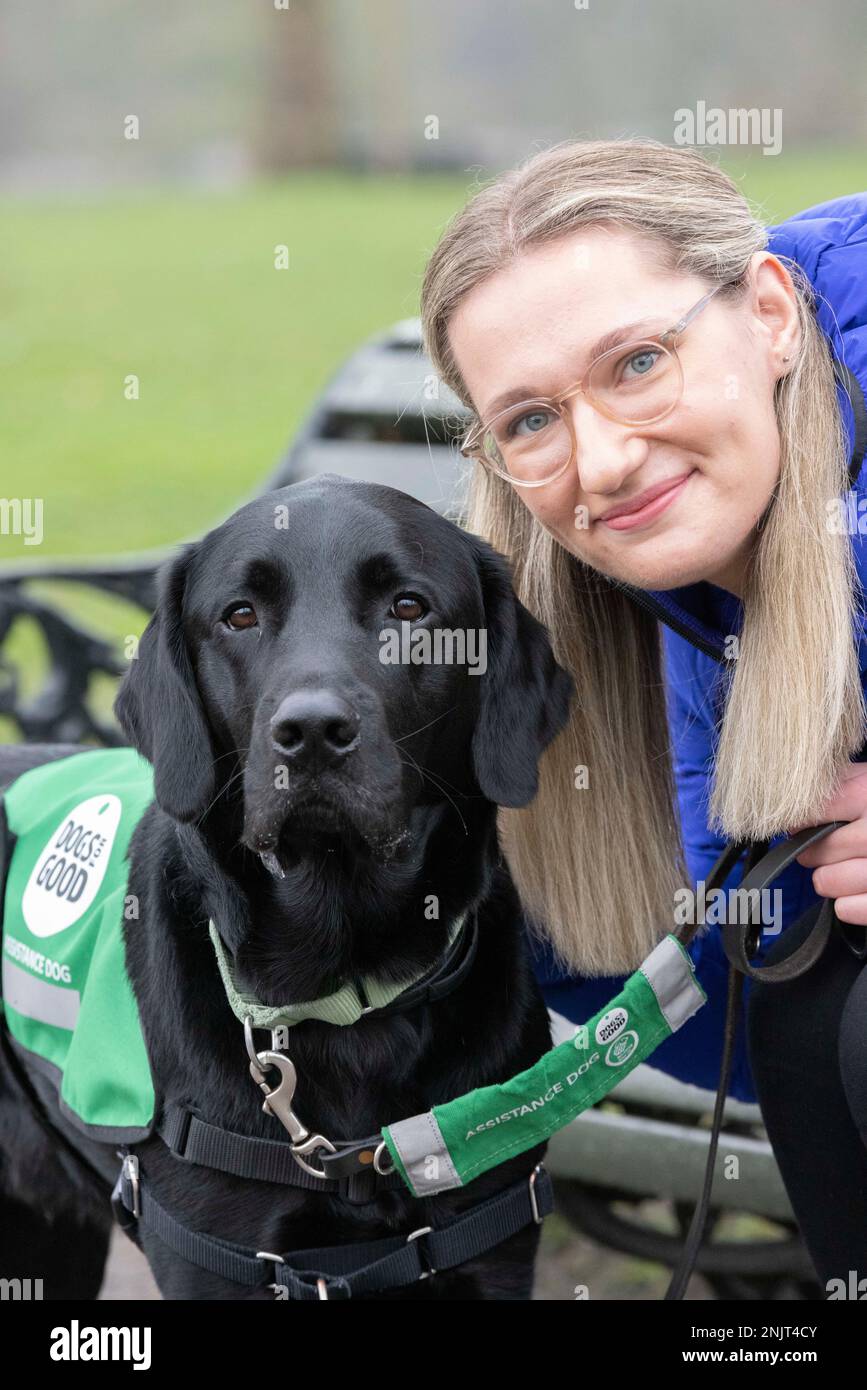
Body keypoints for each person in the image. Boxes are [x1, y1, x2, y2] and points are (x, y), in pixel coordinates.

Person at [419, 138, 867, 1291]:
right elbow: (733, 981)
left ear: (768, 312)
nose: (602, 463)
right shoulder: (594, 598)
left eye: (637, 363)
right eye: (528, 421)